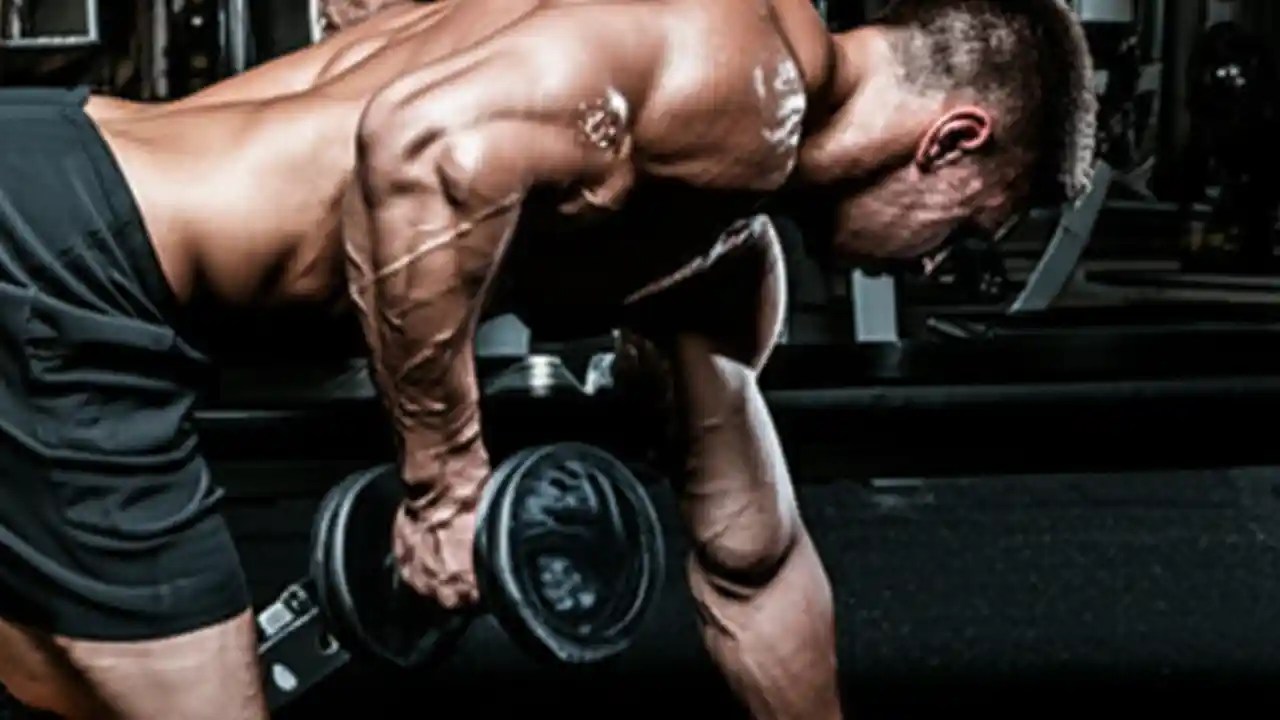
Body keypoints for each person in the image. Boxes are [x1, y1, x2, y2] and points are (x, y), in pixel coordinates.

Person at [0, 0, 1096, 718]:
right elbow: (422, 152)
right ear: (952, 139)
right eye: (962, 229)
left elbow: (752, 563)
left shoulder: (719, 248)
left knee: (65, 684)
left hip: (51, 183)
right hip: (75, 268)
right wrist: (444, 486)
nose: (931, 263)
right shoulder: (749, 79)